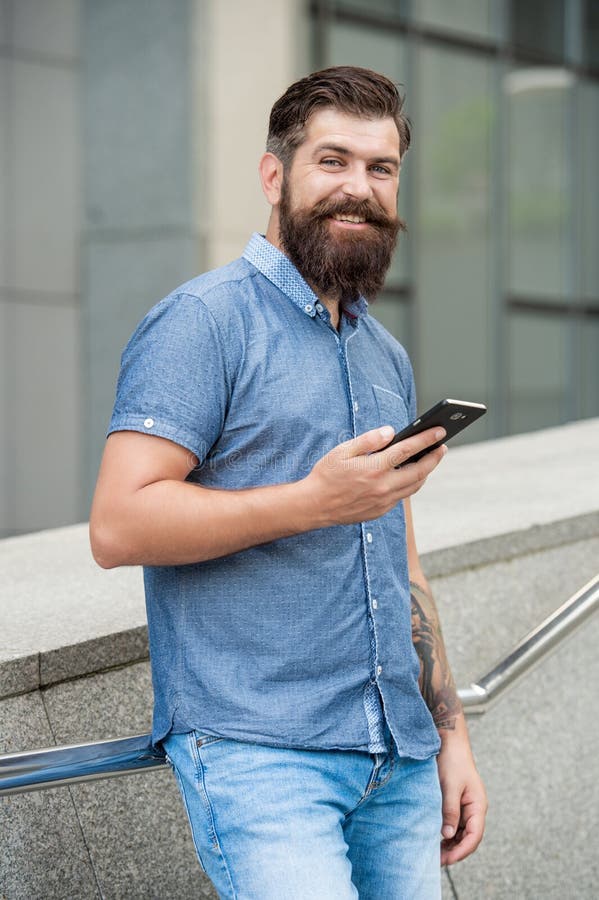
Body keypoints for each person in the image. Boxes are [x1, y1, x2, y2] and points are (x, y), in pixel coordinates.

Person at [90, 66, 487, 899]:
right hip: (263, 759)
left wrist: (448, 736)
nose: (360, 189)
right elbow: (118, 525)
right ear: (275, 176)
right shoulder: (203, 321)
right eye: (332, 161)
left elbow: (400, 564)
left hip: (398, 763)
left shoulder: (382, 352)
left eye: (380, 170)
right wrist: (313, 502)